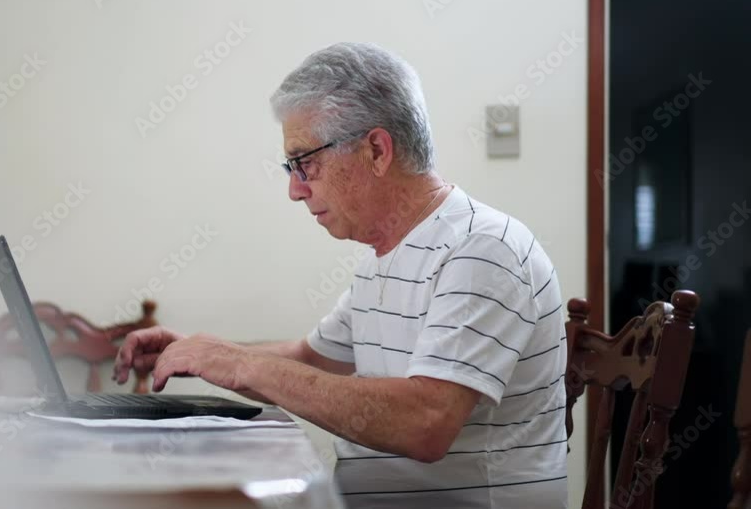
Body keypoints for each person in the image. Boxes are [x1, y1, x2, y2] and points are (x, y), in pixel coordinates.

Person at [113, 42, 568, 508]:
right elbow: (310, 360)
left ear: (376, 150)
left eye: (304, 163)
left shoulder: (482, 248)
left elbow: (426, 423)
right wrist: (196, 352)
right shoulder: (383, 257)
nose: (295, 190)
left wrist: (239, 362)